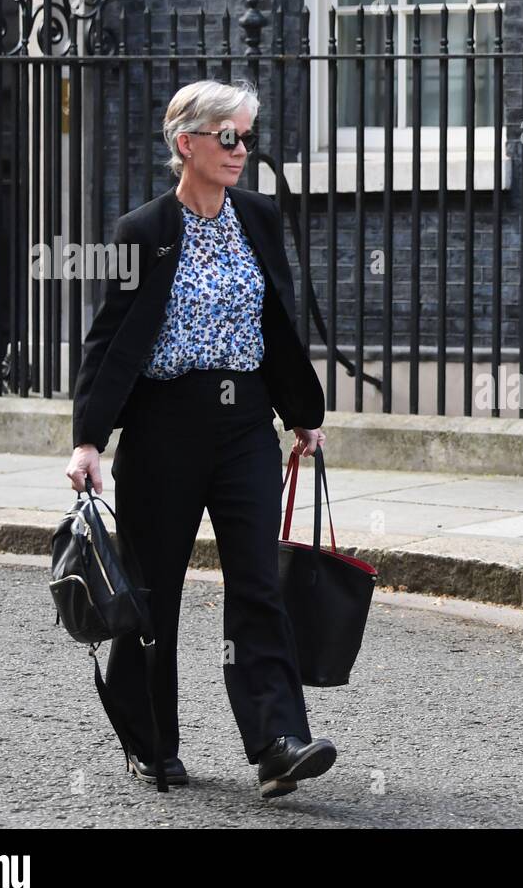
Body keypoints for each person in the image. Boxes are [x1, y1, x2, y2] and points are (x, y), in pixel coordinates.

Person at [64, 79, 335, 799]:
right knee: (152, 590)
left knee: (256, 581)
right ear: (187, 143)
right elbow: (109, 341)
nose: (243, 150)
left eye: (248, 137)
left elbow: (275, 320)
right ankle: (150, 741)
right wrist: (88, 440)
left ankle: (278, 741)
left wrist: (298, 410)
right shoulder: (141, 232)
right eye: (229, 137)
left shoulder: (258, 216)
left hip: (245, 422)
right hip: (163, 427)